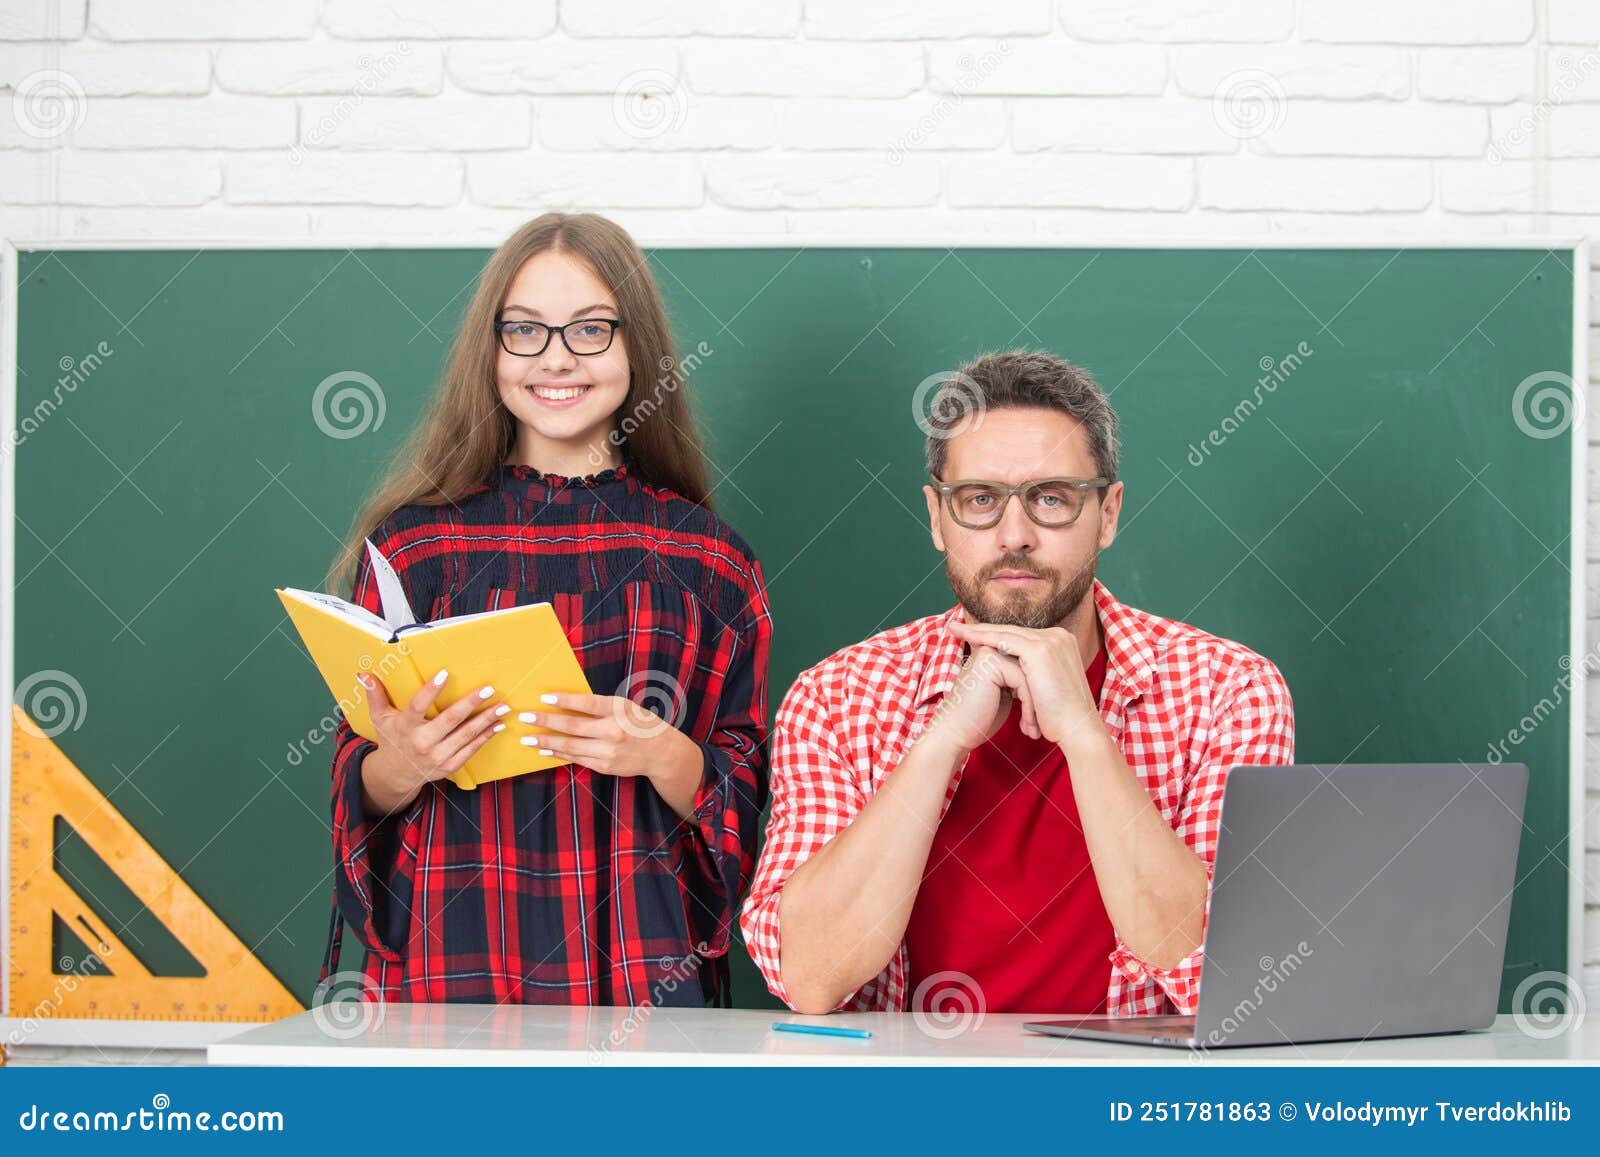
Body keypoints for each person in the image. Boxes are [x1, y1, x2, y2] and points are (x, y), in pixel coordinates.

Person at [741, 350, 1294, 1017]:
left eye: (1052, 498)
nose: (1015, 536)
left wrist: (1086, 734)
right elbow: (811, 975)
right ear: (938, 518)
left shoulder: (1230, 692)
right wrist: (942, 738)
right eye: (979, 500)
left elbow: (1220, 971)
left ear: (1109, 512)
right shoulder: (837, 697)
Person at [319, 212, 770, 1007]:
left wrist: (663, 755)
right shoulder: (415, 547)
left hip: (645, 974)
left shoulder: (709, 558)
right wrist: (407, 763)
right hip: (449, 971)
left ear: (638, 346)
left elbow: (749, 785)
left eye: (591, 329)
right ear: (490, 349)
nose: (556, 356)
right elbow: (360, 778)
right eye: (524, 330)